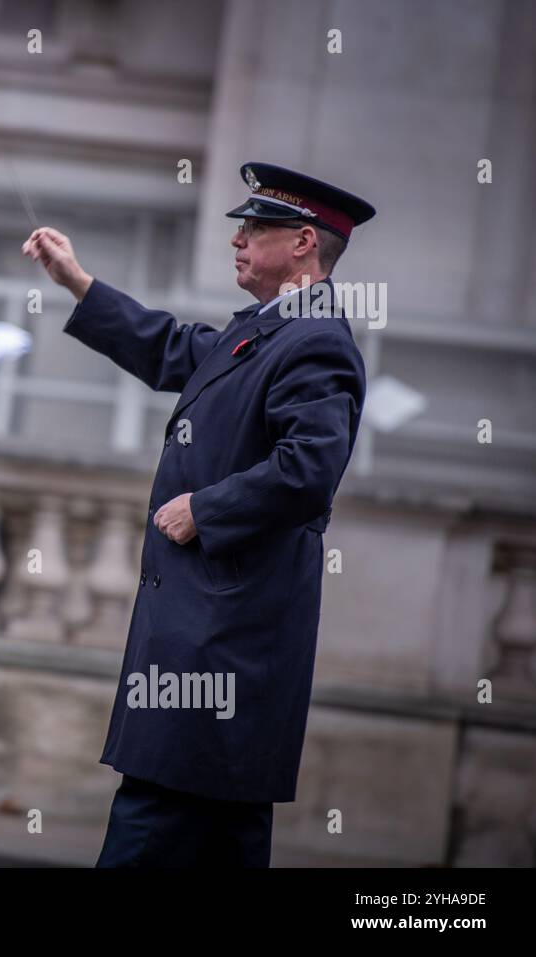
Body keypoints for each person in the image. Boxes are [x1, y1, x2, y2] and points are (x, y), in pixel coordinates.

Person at [24, 162, 374, 867]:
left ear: (304, 243)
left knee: (152, 822)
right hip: (218, 656)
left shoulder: (314, 340)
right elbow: (169, 346)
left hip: (220, 650)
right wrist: (78, 283)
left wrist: (206, 510)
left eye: (256, 227)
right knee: (218, 832)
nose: (237, 239)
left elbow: (309, 468)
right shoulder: (268, 331)